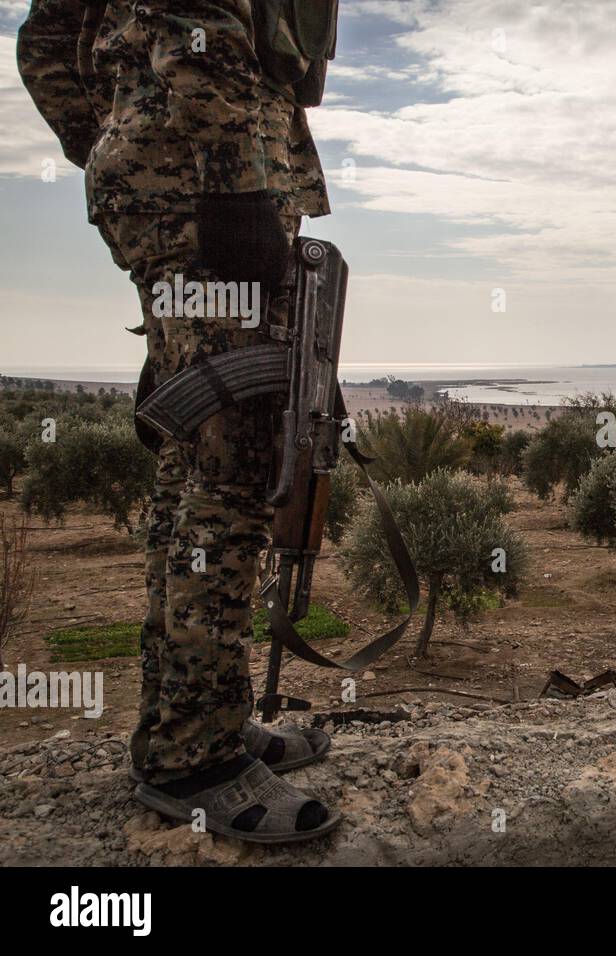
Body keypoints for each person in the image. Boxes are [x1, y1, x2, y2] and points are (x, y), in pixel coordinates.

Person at [18, 0, 340, 842]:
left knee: (194, 464)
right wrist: (232, 185)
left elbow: (45, 38)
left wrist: (118, 144)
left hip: (189, 192)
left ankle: (200, 720)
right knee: (234, 470)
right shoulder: (218, 166)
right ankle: (193, 758)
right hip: (215, 195)